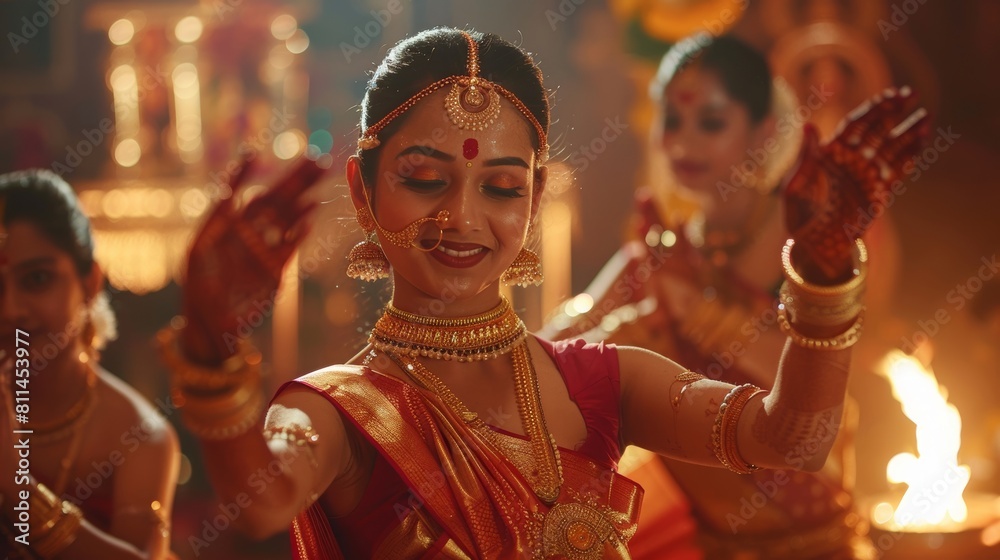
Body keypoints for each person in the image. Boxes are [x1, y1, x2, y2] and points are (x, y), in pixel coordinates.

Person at [163, 27, 926, 559]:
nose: (462, 217)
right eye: (424, 179)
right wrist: (212, 350)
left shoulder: (601, 381)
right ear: (363, 193)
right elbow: (259, 502)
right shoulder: (342, 411)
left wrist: (826, 276)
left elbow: (793, 440)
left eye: (501, 187)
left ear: (533, 202)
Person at [541, 34, 913, 559]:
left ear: (764, 131)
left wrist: (699, 321)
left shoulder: (812, 243)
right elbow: (545, 356)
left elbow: (837, 389)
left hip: (821, 537)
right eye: (673, 121)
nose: (683, 144)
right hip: (714, 546)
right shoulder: (660, 258)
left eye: (711, 123)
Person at [0, 170, 179, 559]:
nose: (10, 309)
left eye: (37, 279)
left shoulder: (139, 436)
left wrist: (16, 486)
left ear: (90, 282)